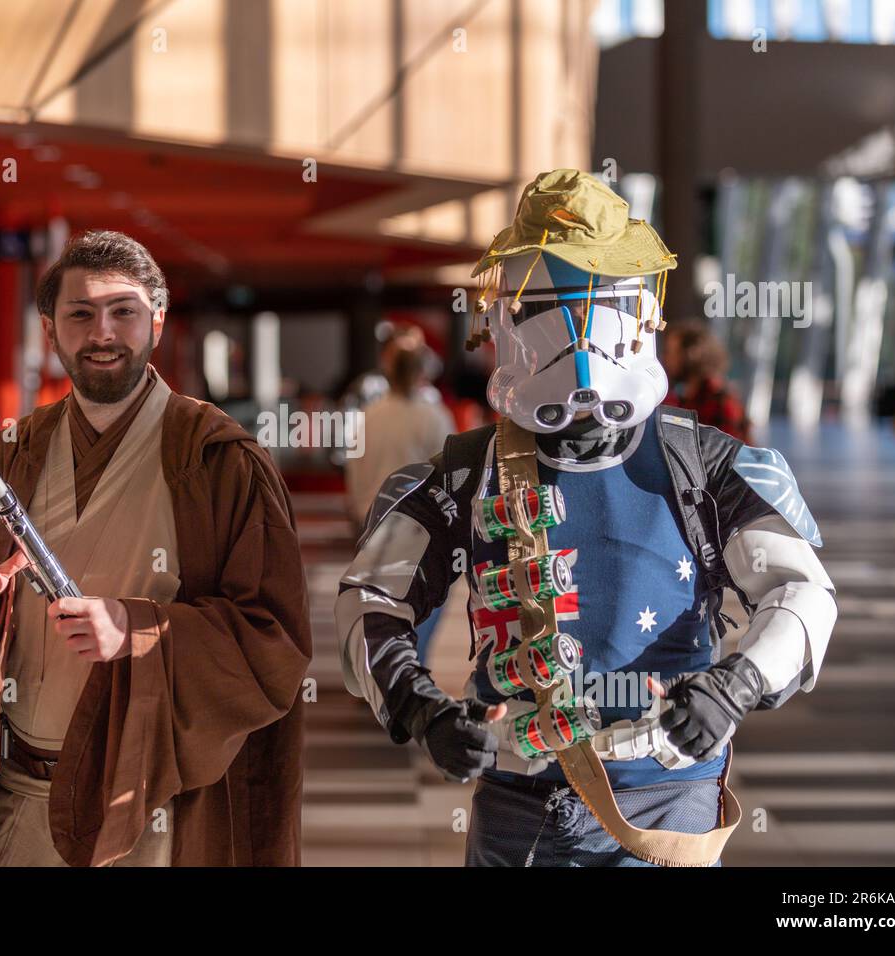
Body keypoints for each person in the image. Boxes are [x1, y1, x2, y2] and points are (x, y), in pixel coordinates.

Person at [335, 169, 838, 867]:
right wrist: (423, 710)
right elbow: (372, 598)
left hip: (669, 798)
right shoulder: (465, 472)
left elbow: (803, 593)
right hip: (521, 805)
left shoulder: (707, 463)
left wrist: (736, 684)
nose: (576, 328)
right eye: (550, 303)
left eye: (590, 296)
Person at [0, 230, 312, 867]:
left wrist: (137, 631)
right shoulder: (10, 454)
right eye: (80, 315)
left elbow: (273, 640)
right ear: (50, 330)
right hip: (18, 796)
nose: (102, 333)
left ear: (158, 321)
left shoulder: (219, 461)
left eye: (124, 312)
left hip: (150, 806)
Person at [344, 328, 455, 663]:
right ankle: (408, 672)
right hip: (419, 528)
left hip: (372, 521)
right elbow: (450, 477)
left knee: (379, 604)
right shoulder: (433, 417)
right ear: (421, 373)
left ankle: (380, 670)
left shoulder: (369, 417)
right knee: (423, 603)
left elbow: (355, 471)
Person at [662, 318, 752, 443]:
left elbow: (730, 455)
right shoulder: (682, 398)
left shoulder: (723, 404)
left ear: (691, 355)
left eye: (671, 353)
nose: (666, 359)